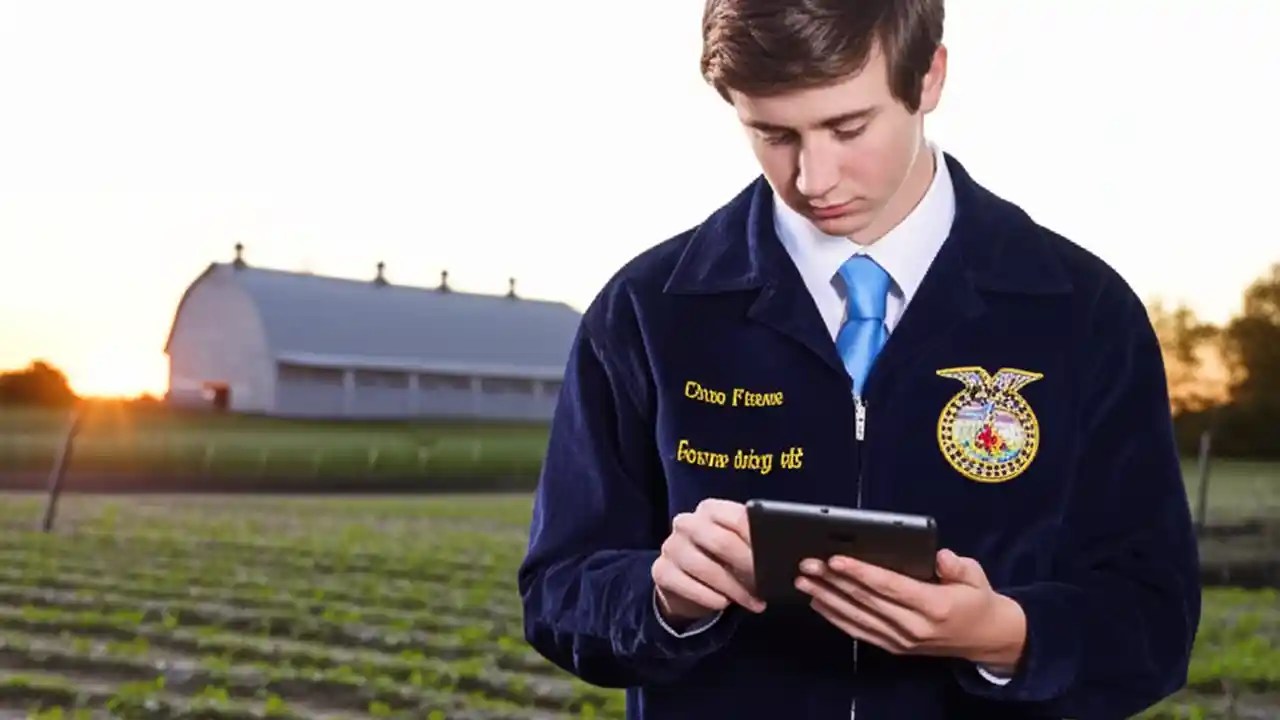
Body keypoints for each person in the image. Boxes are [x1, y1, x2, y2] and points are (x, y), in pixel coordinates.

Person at [516, 1, 1202, 718]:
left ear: (930, 76)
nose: (815, 178)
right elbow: (558, 590)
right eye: (772, 133)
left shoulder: (1084, 313)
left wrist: (1005, 638)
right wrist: (660, 599)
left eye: (848, 128)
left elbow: (1155, 621)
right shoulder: (646, 312)